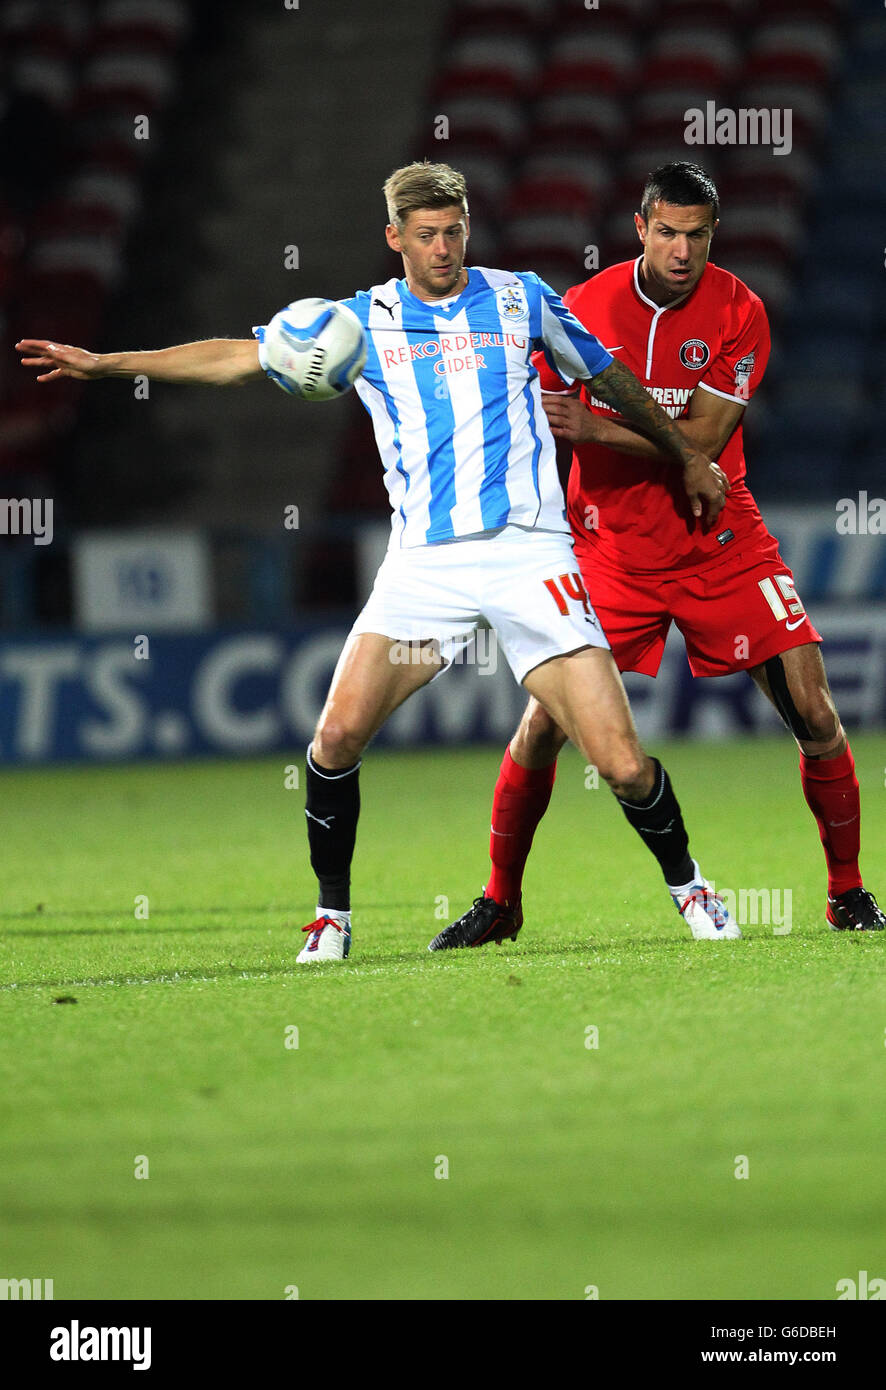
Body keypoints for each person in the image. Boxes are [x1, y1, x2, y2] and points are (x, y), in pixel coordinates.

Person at [17, 160, 738, 963]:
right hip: (422, 567)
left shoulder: (521, 298)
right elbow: (234, 356)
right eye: (426, 235)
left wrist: (684, 455)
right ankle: (333, 918)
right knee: (335, 739)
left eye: (454, 232)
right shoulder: (357, 326)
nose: (443, 249)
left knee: (620, 761)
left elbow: (611, 378)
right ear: (394, 237)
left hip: (528, 555)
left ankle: (692, 887)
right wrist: (110, 365)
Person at [440, 161, 883, 948]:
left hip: (720, 539)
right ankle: (500, 900)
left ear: (715, 236)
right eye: (669, 233)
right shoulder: (585, 306)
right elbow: (541, 406)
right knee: (543, 724)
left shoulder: (740, 310)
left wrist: (600, 428)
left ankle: (846, 893)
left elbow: (704, 448)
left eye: (699, 235)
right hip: (611, 548)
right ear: (641, 229)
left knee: (815, 712)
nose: (683, 251)